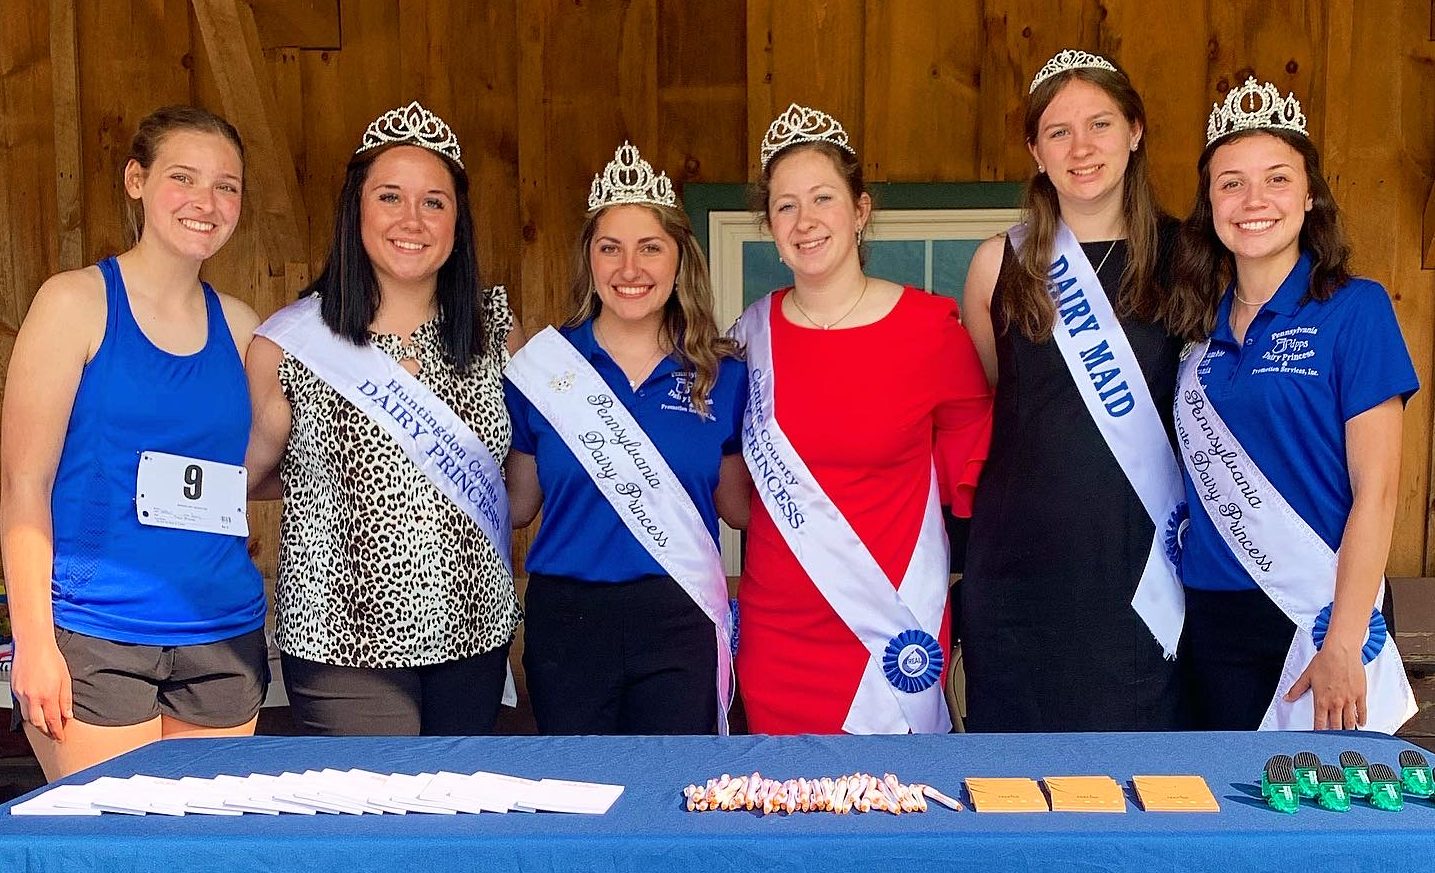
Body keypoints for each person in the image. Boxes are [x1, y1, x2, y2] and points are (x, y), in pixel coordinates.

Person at [1, 106, 266, 779]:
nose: (206, 202)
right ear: (136, 180)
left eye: (227, 186)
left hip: (222, 633)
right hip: (97, 632)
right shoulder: (73, 304)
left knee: (205, 850)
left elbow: (260, 468)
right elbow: (22, 483)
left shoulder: (241, 326)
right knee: (114, 848)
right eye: (184, 177)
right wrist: (33, 641)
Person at [246, 101, 520, 736]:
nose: (412, 220)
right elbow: (251, 476)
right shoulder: (291, 343)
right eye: (390, 197)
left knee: (457, 826)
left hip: (476, 635)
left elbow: (516, 475)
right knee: (378, 822)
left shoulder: (497, 334)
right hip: (340, 643)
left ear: (458, 221)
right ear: (357, 211)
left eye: (434, 202)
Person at [959, 50, 1207, 732]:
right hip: (1020, 570)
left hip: (1141, 570)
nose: (1081, 147)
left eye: (1099, 123)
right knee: (1014, 787)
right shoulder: (996, 263)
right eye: (1058, 131)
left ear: (1134, 130)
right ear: (1035, 151)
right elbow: (998, 407)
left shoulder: (1190, 257)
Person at [730, 104, 993, 735]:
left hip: (891, 627)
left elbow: (975, 480)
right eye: (786, 205)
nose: (805, 220)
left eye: (823, 197)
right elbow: (732, 485)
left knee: (893, 817)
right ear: (768, 224)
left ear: (861, 211)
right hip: (779, 628)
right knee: (781, 814)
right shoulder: (748, 337)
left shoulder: (931, 330)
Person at [1171, 78, 1417, 732]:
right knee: (1223, 821)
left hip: (1319, 610)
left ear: (1308, 195)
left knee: (1322, 816)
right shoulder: (1196, 333)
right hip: (1213, 616)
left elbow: (1379, 491)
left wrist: (1342, 639)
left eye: (1276, 179)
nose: (1254, 201)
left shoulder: (1353, 309)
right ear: (1210, 203)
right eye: (1231, 183)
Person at [504, 142, 747, 735]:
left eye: (650, 248)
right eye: (609, 248)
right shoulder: (545, 368)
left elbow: (743, 510)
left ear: (679, 259)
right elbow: (517, 504)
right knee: (578, 799)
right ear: (589, 259)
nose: (629, 269)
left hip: (679, 612)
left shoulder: (725, 373)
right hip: (569, 615)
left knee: (676, 797)